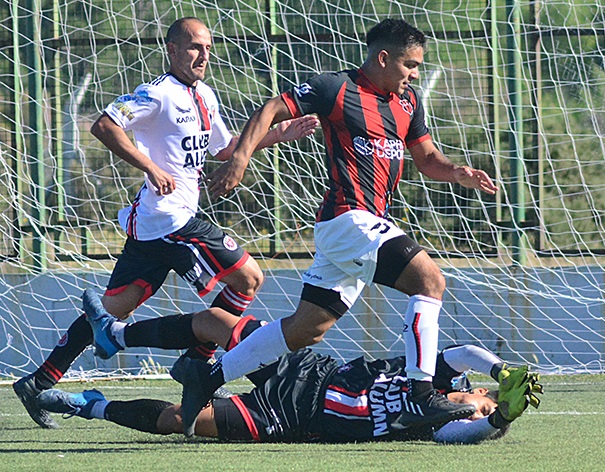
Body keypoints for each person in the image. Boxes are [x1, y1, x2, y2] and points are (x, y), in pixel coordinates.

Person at [176, 17, 499, 436]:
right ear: (383, 58)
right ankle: (421, 393)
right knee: (430, 281)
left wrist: (458, 172)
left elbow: (427, 159)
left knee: (307, 328)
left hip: (359, 229)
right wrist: (240, 157)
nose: (414, 74)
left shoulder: (408, 103)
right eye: (409, 65)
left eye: (418, 66)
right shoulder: (337, 88)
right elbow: (272, 108)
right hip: (348, 219)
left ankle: (209, 376)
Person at [13, 17, 318, 429]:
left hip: (157, 225)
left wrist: (278, 134)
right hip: (168, 220)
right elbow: (104, 124)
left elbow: (226, 150)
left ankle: (38, 381)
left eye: (207, 48)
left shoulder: (205, 95)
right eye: (193, 47)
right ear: (172, 50)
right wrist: (150, 166)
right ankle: (197, 363)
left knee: (113, 309)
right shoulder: (156, 94)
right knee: (248, 278)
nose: (202, 55)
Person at [40, 293, 542, 444]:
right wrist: (501, 372)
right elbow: (467, 352)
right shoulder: (431, 377)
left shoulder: (433, 426)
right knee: (217, 320)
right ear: (470, 391)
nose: (471, 415)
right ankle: (117, 336)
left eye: (476, 418)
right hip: (310, 370)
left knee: (181, 420)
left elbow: (462, 436)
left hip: (292, 419)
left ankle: (89, 405)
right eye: (478, 408)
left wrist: (498, 422)